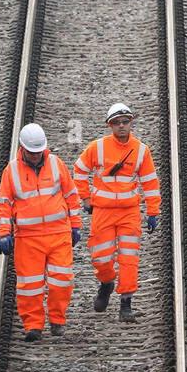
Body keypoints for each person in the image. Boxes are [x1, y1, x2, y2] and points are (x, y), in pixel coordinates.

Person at [73, 103, 161, 323]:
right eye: (116, 123)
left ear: (131, 122)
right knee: (100, 258)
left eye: (125, 122)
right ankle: (107, 283)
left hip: (129, 212)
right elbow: (80, 170)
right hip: (102, 211)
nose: (121, 126)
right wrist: (85, 198)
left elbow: (150, 182)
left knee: (129, 259)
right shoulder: (98, 147)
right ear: (109, 125)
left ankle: (126, 303)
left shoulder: (141, 150)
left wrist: (153, 211)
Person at [0, 123, 82, 341]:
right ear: (23, 149)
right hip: (28, 237)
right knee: (30, 285)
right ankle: (33, 326)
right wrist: (4, 232)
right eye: (31, 153)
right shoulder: (12, 171)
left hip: (59, 233)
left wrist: (76, 224)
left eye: (38, 152)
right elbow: (4, 203)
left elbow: (71, 195)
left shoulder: (56, 164)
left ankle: (57, 320)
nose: (35, 157)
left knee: (62, 279)